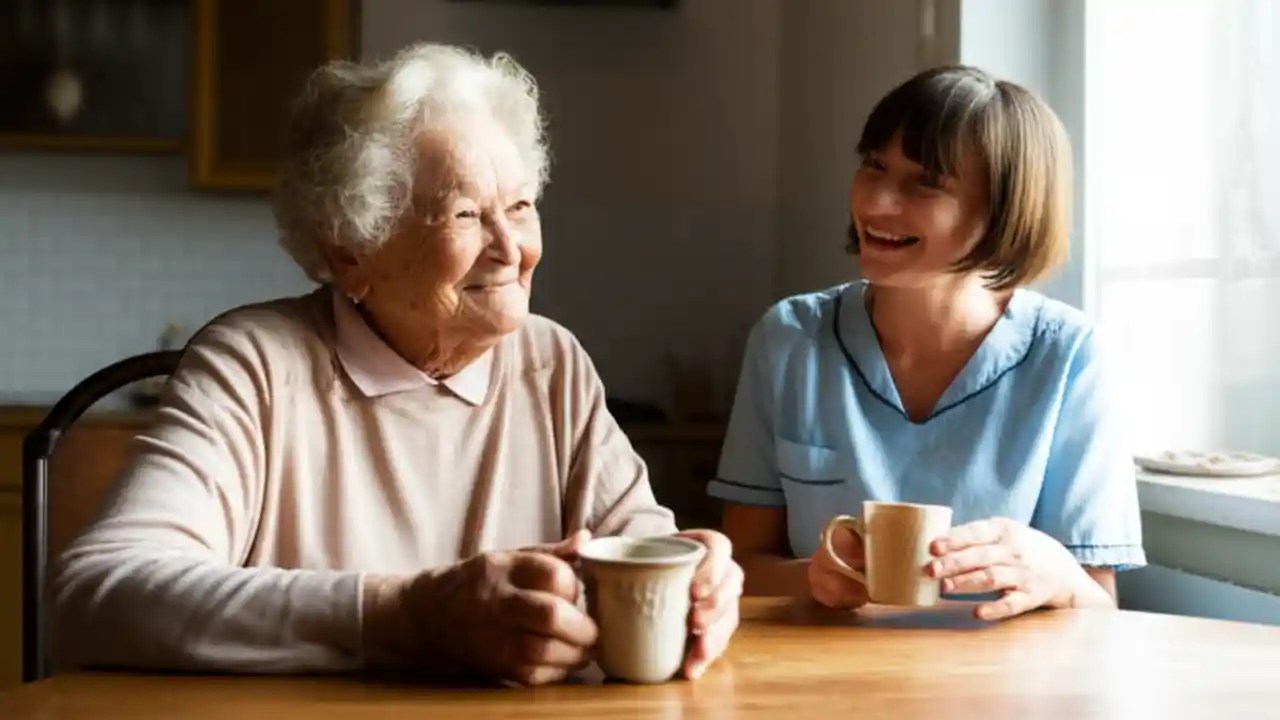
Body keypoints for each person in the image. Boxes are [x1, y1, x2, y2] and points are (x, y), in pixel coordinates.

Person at [51, 43, 742, 685]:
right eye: (467, 215)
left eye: (522, 206)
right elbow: (100, 593)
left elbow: (638, 550)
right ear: (352, 250)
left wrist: (699, 583)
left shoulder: (549, 361)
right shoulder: (255, 368)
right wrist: (405, 614)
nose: (513, 248)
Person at [711, 66, 1145, 621]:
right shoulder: (789, 339)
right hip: (826, 683)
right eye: (874, 165)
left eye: (926, 183)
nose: (877, 203)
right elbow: (740, 569)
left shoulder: (1069, 356)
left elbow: (1098, 611)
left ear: (1003, 212)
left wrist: (1055, 571)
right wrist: (813, 577)